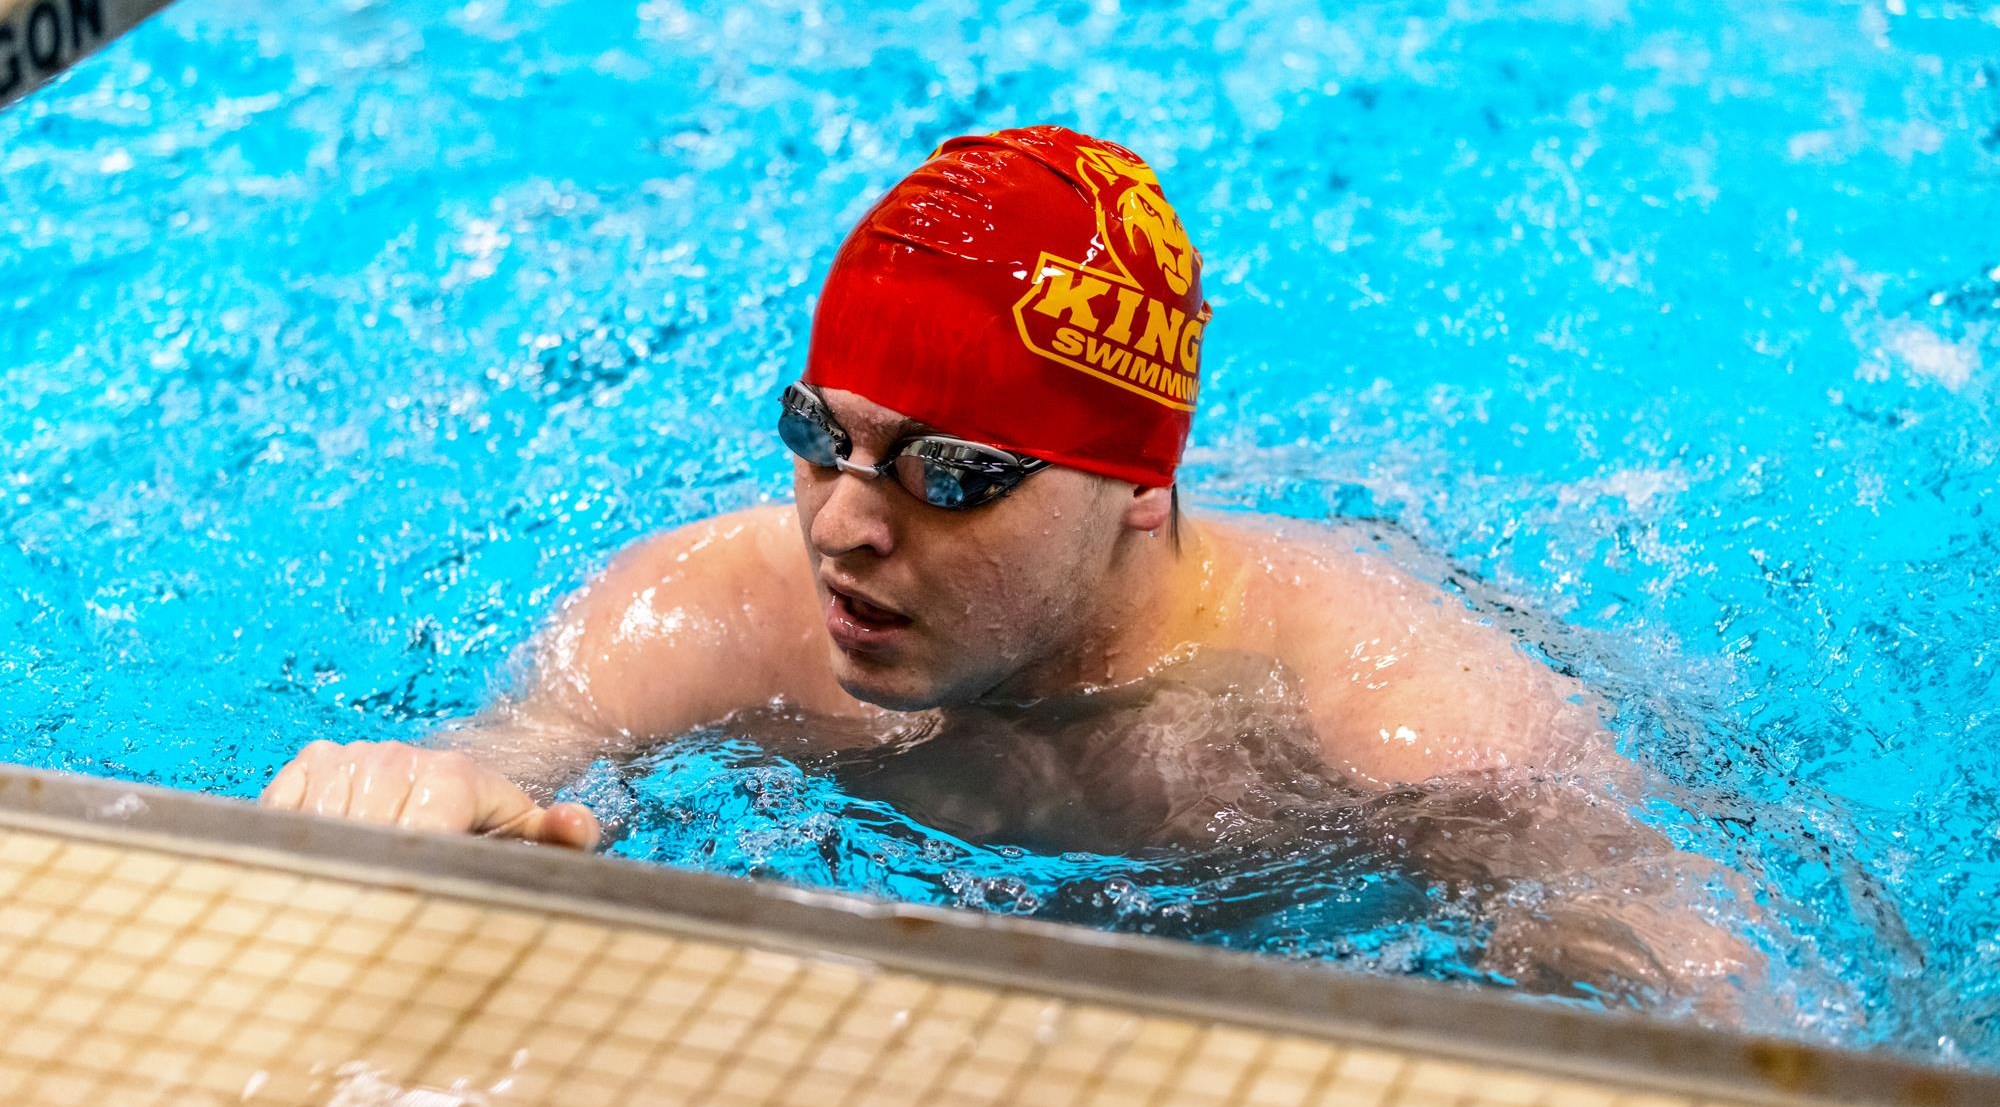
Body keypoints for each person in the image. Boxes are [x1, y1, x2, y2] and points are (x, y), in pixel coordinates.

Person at [262, 126, 1760, 1013]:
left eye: (952, 473)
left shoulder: (1387, 713)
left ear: (1140, 487)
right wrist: (430, 799)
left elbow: (1698, 994)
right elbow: (515, 757)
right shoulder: (709, 614)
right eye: (821, 437)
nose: (842, 527)